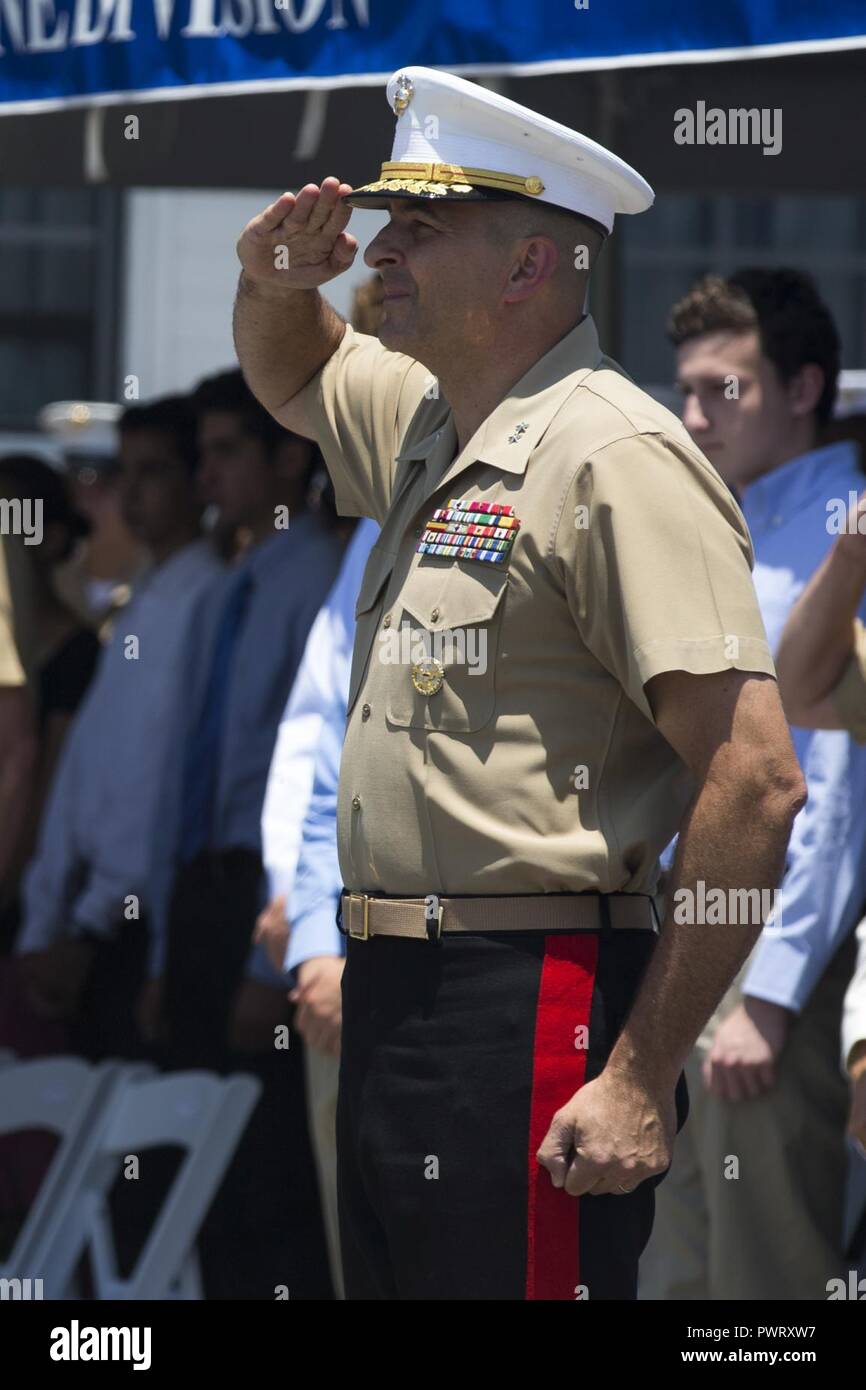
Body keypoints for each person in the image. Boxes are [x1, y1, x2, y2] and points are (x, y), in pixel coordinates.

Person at [233, 65, 805, 1301]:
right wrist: (272, 281)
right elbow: (292, 374)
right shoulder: (439, 419)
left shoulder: (615, 452)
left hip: (531, 1000)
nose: (377, 251)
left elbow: (754, 781)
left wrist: (640, 1072)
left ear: (527, 267)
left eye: (418, 231)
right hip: (395, 991)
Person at [640, 270, 866, 1300]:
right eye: (684, 391)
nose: (692, 416)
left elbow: (831, 785)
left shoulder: (843, 527)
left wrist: (768, 994)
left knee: (764, 1285)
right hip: (691, 947)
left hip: (777, 963)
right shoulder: (727, 521)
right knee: (681, 1268)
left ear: (804, 384)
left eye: (722, 389)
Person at [142, 368, 344, 1300]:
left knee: (268, 1173)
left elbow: (310, 774)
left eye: (229, 451)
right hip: (203, 888)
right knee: (201, 1170)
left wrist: (275, 958)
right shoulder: (234, 580)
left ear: (288, 456)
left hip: (259, 898)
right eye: (206, 453)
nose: (208, 474)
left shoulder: (320, 575)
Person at [14, 396, 223, 1054]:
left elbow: (151, 777)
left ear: (198, 481)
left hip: (121, 921)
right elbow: (88, 767)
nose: (129, 492)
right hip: (83, 911)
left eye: (152, 472)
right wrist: (45, 919)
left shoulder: (204, 598)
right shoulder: (150, 594)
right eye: (122, 472)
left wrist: (90, 920)